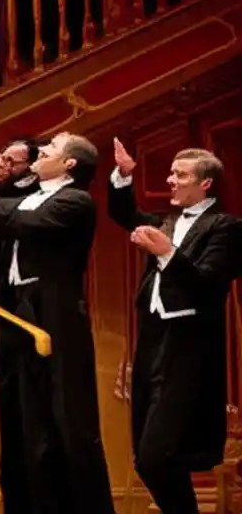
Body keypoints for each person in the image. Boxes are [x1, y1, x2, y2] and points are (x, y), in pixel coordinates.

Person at [0, 132, 115, 514]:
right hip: (20, 310)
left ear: (68, 164)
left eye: (52, 149)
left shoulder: (75, 201)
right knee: (29, 423)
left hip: (56, 314)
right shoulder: (34, 194)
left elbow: (15, 220)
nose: (43, 150)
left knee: (68, 421)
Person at [108, 141, 242, 513]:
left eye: (180, 175)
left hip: (190, 347)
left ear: (205, 184)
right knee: (146, 457)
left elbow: (207, 283)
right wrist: (123, 174)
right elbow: (123, 213)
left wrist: (167, 253)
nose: (170, 180)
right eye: (171, 173)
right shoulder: (165, 221)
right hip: (152, 340)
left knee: (158, 454)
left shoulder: (226, 228)